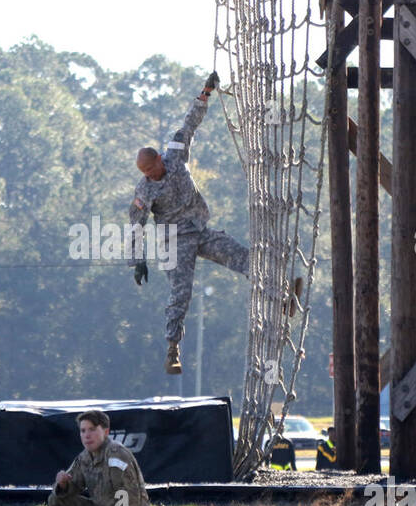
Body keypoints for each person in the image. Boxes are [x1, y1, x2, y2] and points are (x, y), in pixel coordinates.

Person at [128, 73, 300, 374]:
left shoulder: (175, 156)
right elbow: (136, 224)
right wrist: (137, 260)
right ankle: (172, 350)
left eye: (151, 169)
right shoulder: (144, 190)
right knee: (181, 293)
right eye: (144, 172)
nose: (149, 175)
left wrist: (205, 92)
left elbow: (189, 125)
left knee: (244, 257)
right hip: (173, 241)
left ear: (158, 160)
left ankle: (283, 299)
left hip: (199, 230)